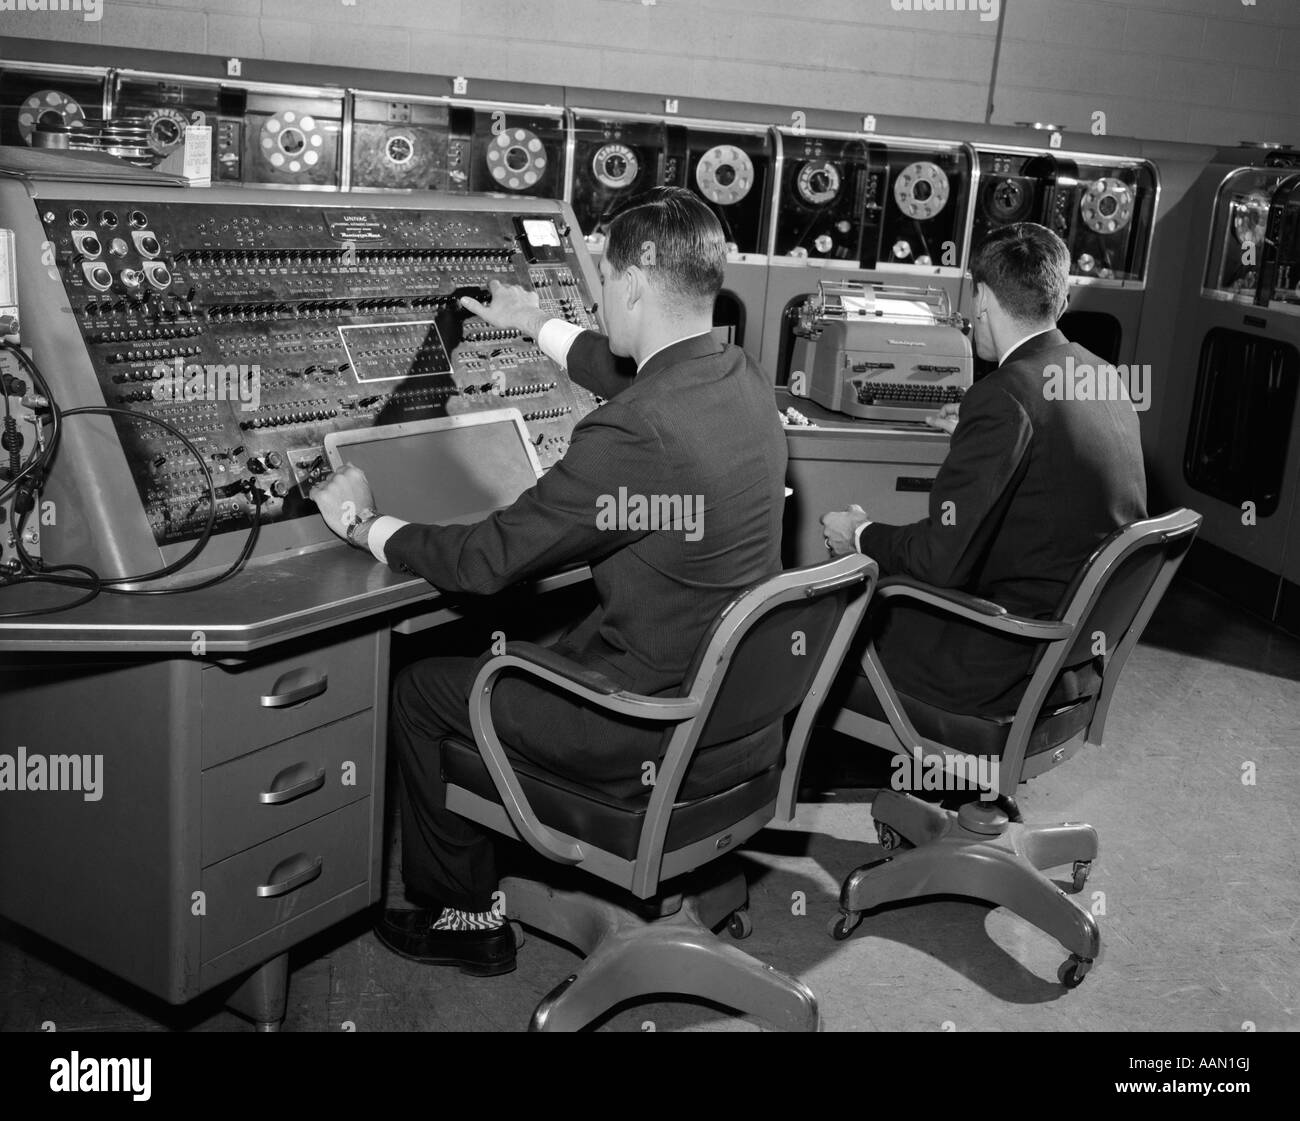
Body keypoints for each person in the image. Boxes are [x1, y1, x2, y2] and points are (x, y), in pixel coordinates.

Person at [310, 187, 787, 975]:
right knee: (538, 636)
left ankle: (464, 915)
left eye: (601, 278)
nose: (597, 295)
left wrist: (367, 526)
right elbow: (628, 371)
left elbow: (485, 562)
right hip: (736, 716)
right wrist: (534, 323)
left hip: (642, 721)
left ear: (635, 278)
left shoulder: (634, 430)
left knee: (425, 685)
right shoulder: (738, 376)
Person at [821, 222, 1148, 718]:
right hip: (1074, 657)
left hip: (1003, 658)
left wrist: (860, 533)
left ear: (982, 302)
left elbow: (939, 563)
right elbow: (1059, 464)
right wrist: (988, 437)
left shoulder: (1003, 397)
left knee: (816, 626)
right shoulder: (1104, 376)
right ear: (1061, 305)